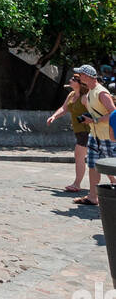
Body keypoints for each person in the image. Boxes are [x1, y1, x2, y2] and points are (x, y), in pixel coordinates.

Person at [72, 64, 116, 207]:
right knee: (93, 165)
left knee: (112, 167)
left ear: (86, 76)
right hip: (94, 135)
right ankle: (92, 197)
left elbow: (113, 113)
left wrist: (95, 120)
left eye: (80, 74)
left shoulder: (101, 92)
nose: (78, 76)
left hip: (107, 136)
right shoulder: (91, 92)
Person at [46, 74, 89, 192]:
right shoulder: (72, 95)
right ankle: (113, 181)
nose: (70, 80)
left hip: (86, 130)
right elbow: (64, 108)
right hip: (79, 130)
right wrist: (54, 116)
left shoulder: (85, 97)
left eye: (73, 79)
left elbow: (94, 112)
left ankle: (77, 184)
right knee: (97, 158)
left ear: (80, 83)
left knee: (79, 156)